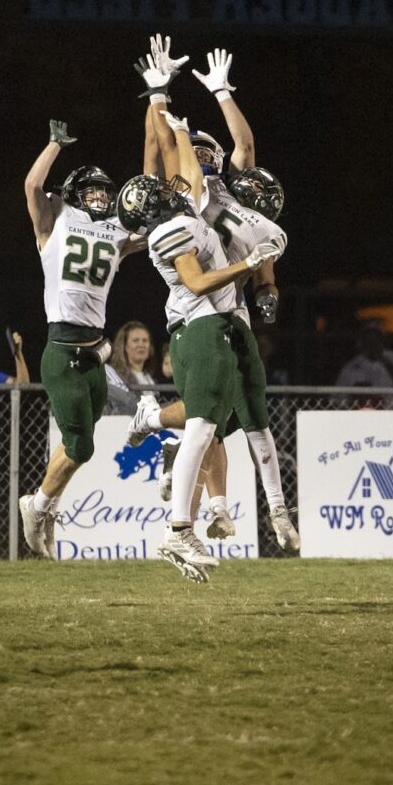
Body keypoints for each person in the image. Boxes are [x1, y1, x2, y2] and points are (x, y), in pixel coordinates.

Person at [132, 37, 300, 552]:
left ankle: (270, 510)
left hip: (233, 306)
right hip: (195, 307)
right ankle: (164, 440)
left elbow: (245, 150)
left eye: (209, 152)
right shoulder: (185, 196)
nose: (201, 156)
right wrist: (158, 97)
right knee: (209, 414)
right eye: (195, 150)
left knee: (243, 413)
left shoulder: (227, 192)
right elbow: (157, 150)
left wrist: (224, 93)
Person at [118, 154, 280, 580]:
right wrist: (247, 264)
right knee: (204, 426)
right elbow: (194, 282)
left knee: (211, 424)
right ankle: (179, 528)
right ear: (152, 209)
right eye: (159, 194)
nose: (170, 191)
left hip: (214, 325)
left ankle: (186, 512)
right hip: (199, 326)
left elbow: (189, 172)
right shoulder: (171, 229)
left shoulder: (184, 218)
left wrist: (172, 116)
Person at [19, 119, 143, 559]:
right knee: (81, 445)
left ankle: (40, 505)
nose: (100, 197)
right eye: (91, 190)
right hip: (64, 349)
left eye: (104, 192)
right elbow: (33, 184)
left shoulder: (113, 230)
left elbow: (150, 237)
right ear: (73, 193)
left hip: (96, 352)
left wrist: (166, 207)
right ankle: (38, 508)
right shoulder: (54, 220)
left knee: (79, 447)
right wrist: (53, 144)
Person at [335, 322, 393, 389]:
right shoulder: (351, 367)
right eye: (368, 339)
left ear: (382, 340)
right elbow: (338, 400)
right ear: (361, 342)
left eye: (376, 338)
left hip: (392, 407)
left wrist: (385, 362)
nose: (372, 343)